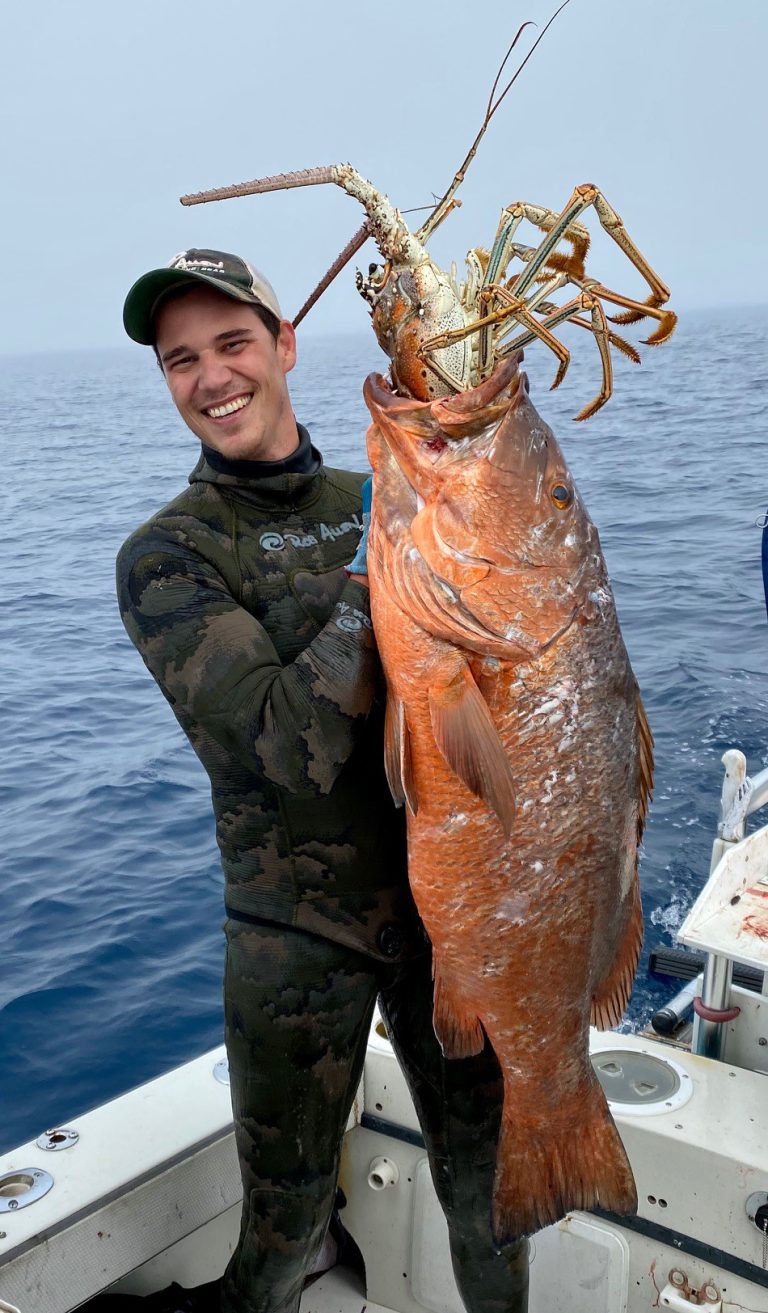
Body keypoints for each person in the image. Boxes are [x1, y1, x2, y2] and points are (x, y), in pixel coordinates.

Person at [101, 249, 529, 1313]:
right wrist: (381, 565)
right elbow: (286, 748)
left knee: (490, 1201)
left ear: (286, 345)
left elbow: (509, 669)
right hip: (292, 928)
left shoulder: (384, 491)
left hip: (452, 914)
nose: (210, 377)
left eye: (233, 343)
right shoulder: (168, 556)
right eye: (180, 360)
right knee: (283, 1237)